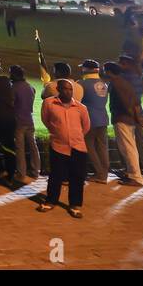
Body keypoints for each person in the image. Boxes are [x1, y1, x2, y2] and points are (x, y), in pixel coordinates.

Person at [38, 78, 91, 218]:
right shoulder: (49, 103)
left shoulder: (81, 108)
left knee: (77, 177)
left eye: (70, 89)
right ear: (58, 90)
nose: (68, 92)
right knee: (55, 176)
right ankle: (51, 201)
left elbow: (86, 127)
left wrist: (74, 137)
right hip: (58, 146)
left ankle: (75, 205)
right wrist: (58, 133)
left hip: (78, 147)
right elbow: (46, 120)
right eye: (65, 89)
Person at [104, 61, 143, 186]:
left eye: (105, 70)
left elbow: (128, 103)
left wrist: (130, 115)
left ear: (109, 72)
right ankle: (132, 174)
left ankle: (136, 177)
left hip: (123, 119)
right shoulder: (122, 82)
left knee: (128, 148)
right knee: (127, 148)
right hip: (126, 118)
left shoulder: (117, 84)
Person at [78, 60, 111, 184]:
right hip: (103, 118)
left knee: (89, 146)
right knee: (102, 146)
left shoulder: (81, 84)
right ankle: (104, 173)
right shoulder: (104, 84)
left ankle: (100, 174)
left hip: (89, 119)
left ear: (86, 69)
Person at [9, 65, 40, 183]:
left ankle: (21, 173)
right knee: (33, 146)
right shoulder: (30, 87)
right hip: (30, 120)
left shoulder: (14, 87)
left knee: (20, 148)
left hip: (19, 121)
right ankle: (36, 171)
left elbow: (11, 104)